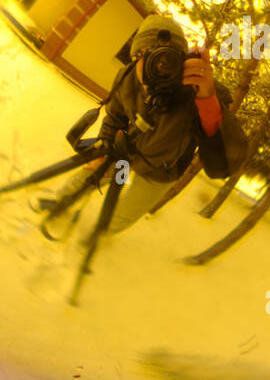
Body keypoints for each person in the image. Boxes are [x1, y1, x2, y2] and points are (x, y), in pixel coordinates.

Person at [54, 15, 247, 236]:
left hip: (158, 174)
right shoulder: (127, 77)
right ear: (134, 55)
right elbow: (114, 115)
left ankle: (98, 235)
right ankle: (60, 203)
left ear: (181, 61)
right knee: (90, 177)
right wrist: (105, 144)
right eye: (144, 54)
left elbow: (222, 163)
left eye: (167, 58)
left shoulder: (195, 91)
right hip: (126, 157)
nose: (155, 65)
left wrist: (207, 98)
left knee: (123, 213)